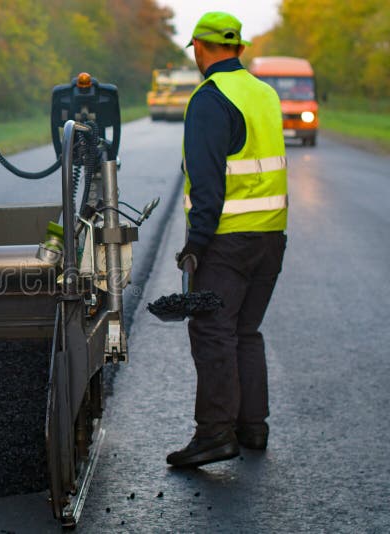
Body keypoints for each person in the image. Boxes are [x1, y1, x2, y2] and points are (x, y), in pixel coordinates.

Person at [166, 11, 288, 468]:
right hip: (271, 236)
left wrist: (195, 245)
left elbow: (208, 183)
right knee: (245, 331)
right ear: (238, 48)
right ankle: (252, 427)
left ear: (199, 46)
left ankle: (215, 434)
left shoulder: (209, 99)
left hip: (227, 241)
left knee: (213, 331)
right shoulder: (265, 93)